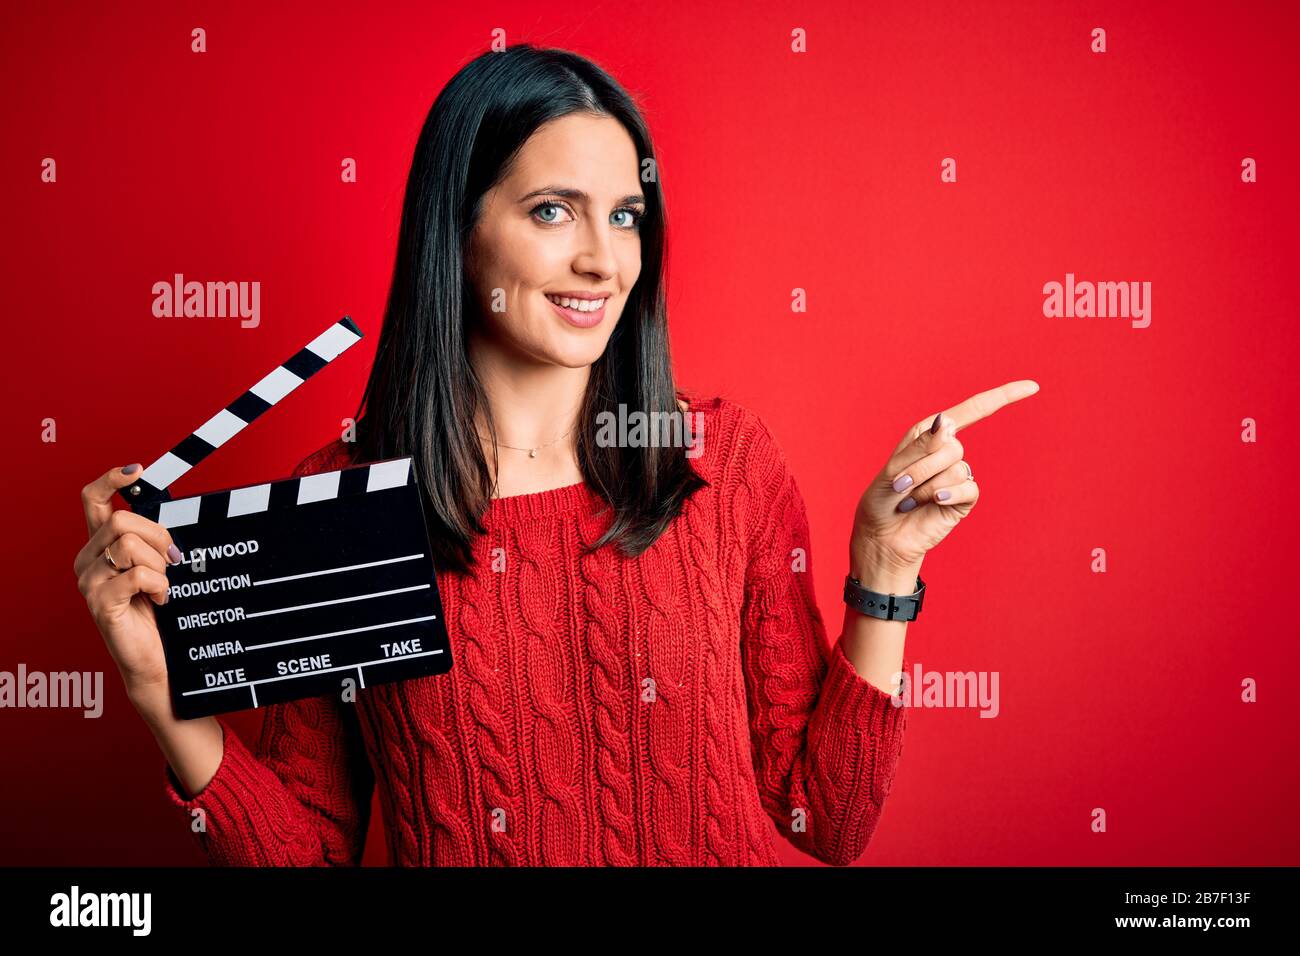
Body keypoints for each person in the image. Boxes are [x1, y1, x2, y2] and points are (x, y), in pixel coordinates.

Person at [73, 43, 1038, 866]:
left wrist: (886, 569)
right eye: (551, 211)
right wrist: (163, 697)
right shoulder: (343, 501)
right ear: (457, 230)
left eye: (624, 215)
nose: (602, 260)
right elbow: (311, 848)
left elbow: (826, 817)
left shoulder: (719, 462)